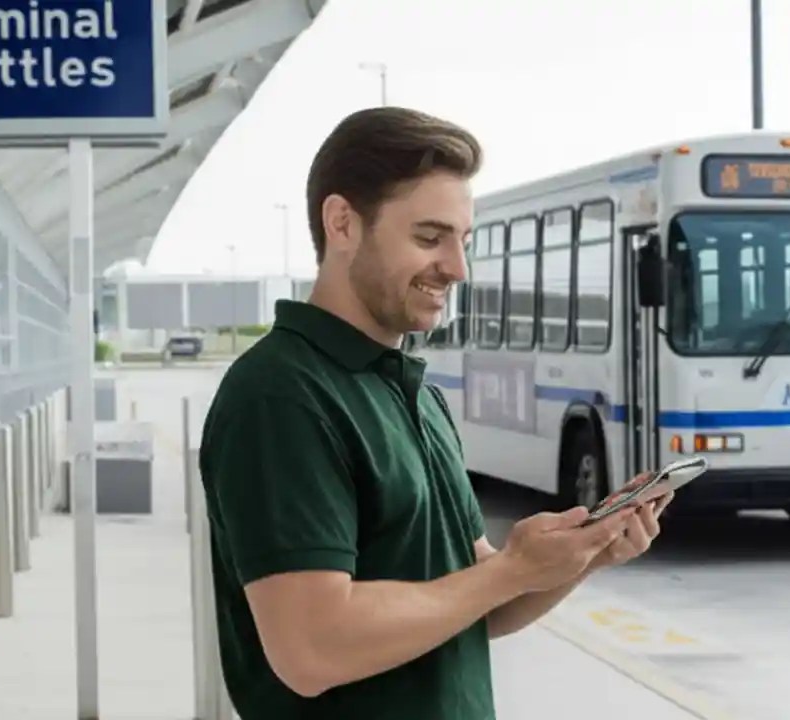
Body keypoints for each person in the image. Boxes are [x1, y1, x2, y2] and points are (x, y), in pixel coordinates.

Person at [197, 105, 674, 720]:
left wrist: (585, 555)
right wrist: (511, 570)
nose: (457, 268)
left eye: (462, 241)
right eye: (429, 238)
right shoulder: (281, 396)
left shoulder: (415, 393)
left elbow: (476, 601)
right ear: (342, 223)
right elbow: (312, 647)